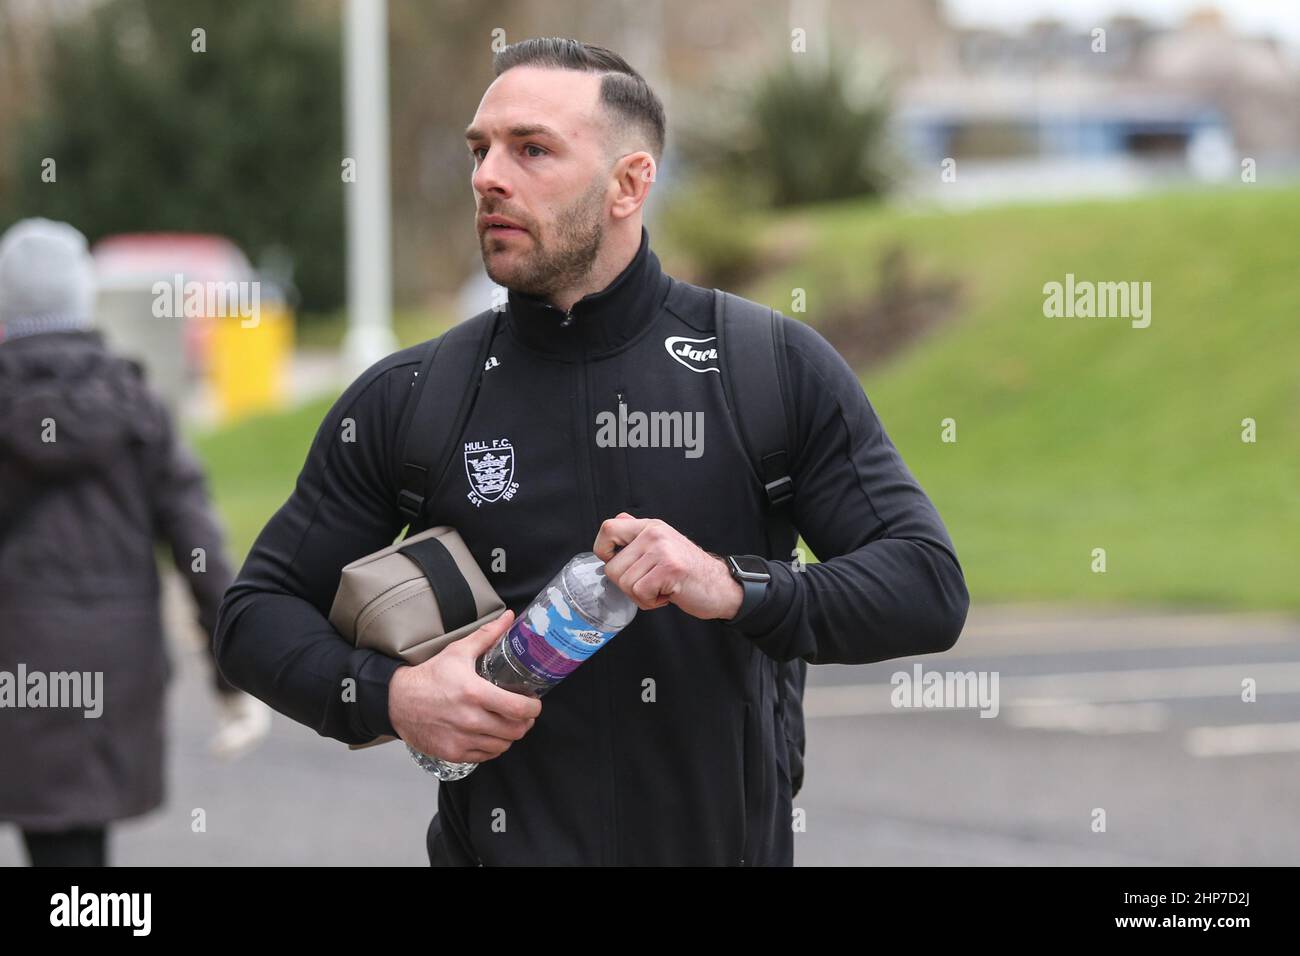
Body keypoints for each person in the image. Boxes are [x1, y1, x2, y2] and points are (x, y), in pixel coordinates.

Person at [215, 37, 969, 866]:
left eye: (531, 149)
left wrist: (734, 586)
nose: (487, 177)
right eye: (480, 150)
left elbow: (926, 585)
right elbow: (256, 615)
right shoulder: (416, 394)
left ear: (630, 183)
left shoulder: (768, 367)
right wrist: (391, 697)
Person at [0, 218, 255, 866]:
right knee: (78, 854)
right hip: (114, 667)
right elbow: (197, 543)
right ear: (81, 295)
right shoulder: (136, 405)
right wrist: (230, 678)